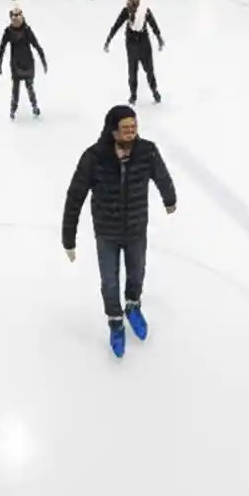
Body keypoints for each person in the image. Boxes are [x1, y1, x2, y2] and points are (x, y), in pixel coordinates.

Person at [62, 105, 177, 358]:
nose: (131, 132)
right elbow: (75, 197)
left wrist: (170, 198)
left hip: (136, 228)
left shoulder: (147, 152)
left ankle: (133, 306)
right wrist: (68, 238)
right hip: (107, 232)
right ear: (113, 131)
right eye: (125, 128)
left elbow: (162, 176)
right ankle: (115, 321)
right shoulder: (94, 158)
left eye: (134, 127)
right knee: (110, 282)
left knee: (137, 273)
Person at [103, 0, 165, 105]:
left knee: (149, 70)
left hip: (144, 43)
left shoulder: (144, 10)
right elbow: (116, 25)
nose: (135, 0)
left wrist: (159, 38)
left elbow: (153, 23)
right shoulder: (126, 10)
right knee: (132, 71)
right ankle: (133, 94)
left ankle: (154, 90)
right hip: (131, 44)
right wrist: (108, 40)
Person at [0, 2, 47, 119]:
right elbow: (1, 48)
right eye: (14, 18)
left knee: (30, 87)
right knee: (16, 89)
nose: (16, 20)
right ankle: (13, 109)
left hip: (28, 63)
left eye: (18, 17)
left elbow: (37, 45)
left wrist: (43, 60)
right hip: (16, 64)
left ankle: (34, 106)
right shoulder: (8, 32)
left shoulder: (27, 30)